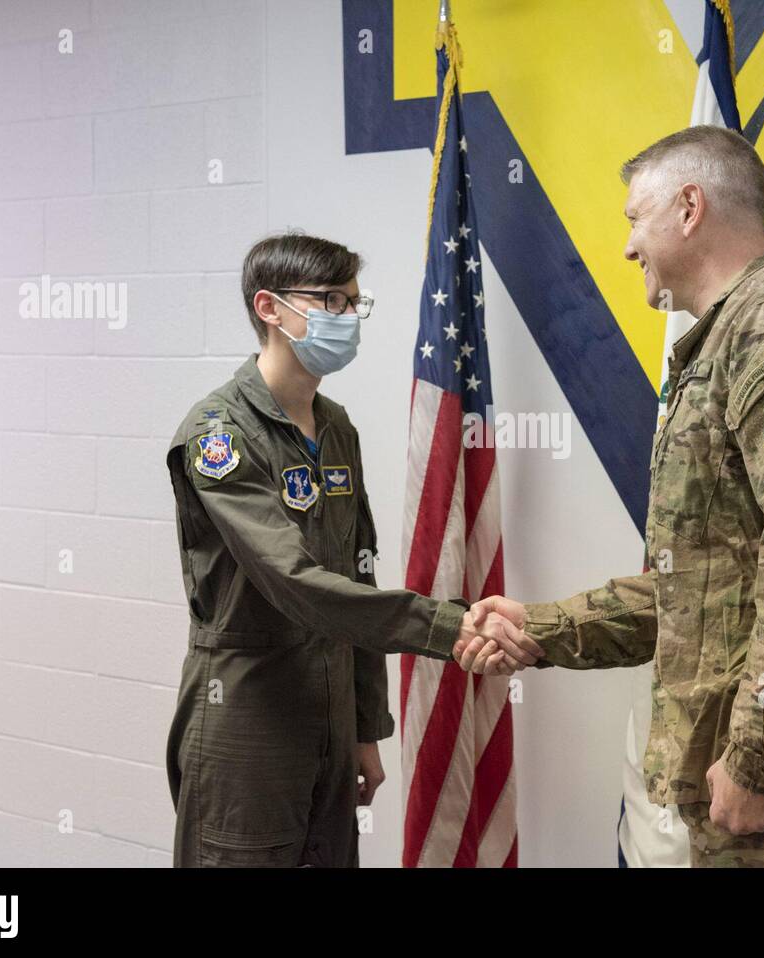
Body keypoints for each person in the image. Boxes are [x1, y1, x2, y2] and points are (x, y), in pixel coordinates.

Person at [455, 126, 764, 868]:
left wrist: (760, 755)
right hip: (749, 783)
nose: (628, 246)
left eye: (636, 218)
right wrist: (542, 628)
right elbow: (697, 588)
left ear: (689, 207)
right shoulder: (733, 339)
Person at [164, 232, 536, 868]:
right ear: (270, 308)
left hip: (331, 713)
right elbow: (297, 583)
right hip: (249, 712)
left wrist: (365, 726)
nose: (345, 319)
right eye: (331, 300)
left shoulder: (335, 427)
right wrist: (448, 625)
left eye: (354, 304)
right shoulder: (218, 433)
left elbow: (358, 577)